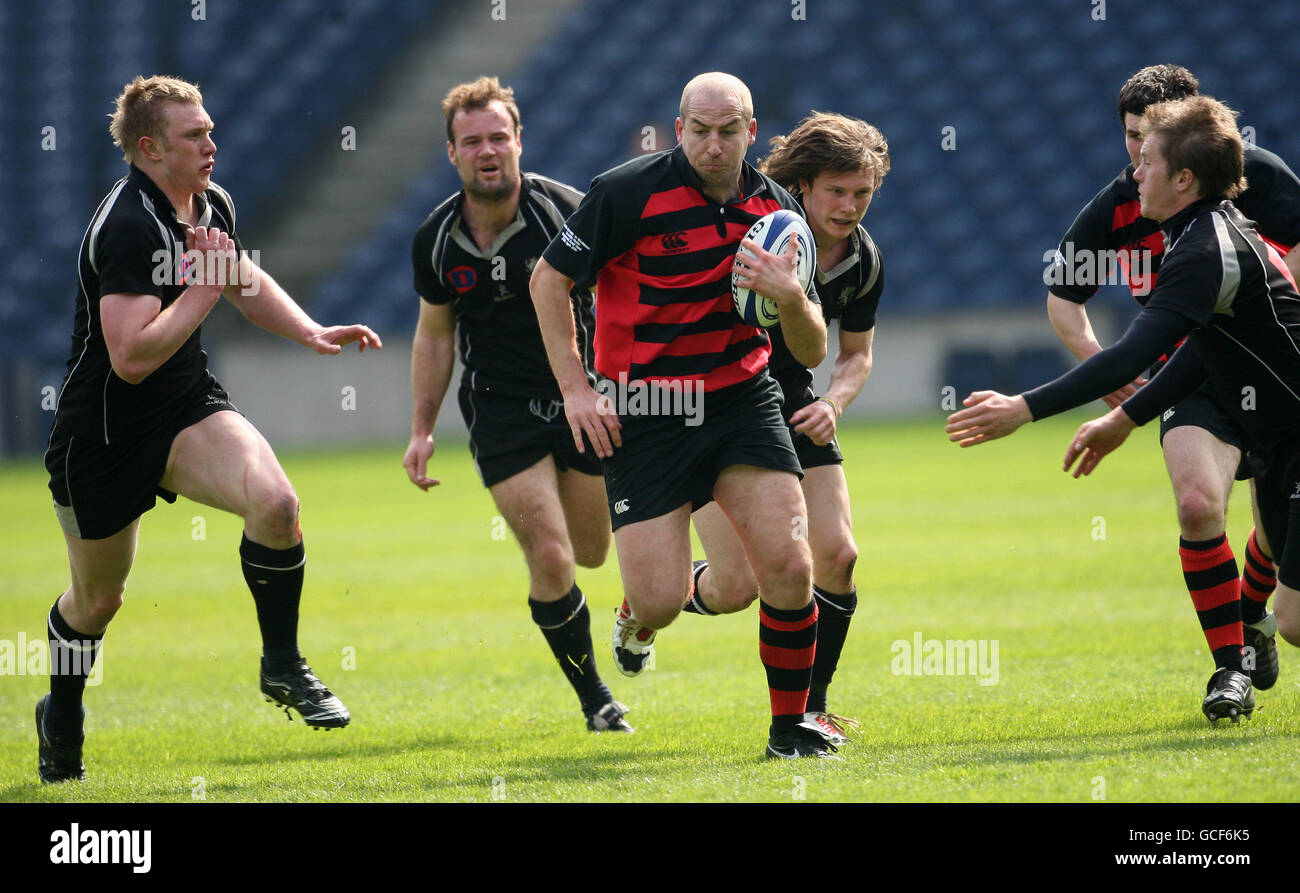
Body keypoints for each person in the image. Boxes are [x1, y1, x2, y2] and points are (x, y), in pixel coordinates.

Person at [37, 76, 382, 783]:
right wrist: (203, 282)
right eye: (194, 136)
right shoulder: (127, 225)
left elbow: (239, 279)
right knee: (98, 600)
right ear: (149, 148)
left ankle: (282, 663)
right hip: (101, 431)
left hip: (185, 405)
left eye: (210, 130)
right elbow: (130, 358)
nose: (211, 144)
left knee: (277, 505)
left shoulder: (209, 203)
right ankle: (62, 708)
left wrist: (309, 330)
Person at [947, 95, 1300, 723]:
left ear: (1183, 177)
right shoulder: (1200, 232)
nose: (1135, 169)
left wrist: (1024, 408)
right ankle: (1239, 654)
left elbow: (1130, 356)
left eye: (1150, 159)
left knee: (1297, 619)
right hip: (1276, 442)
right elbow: (1197, 355)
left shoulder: (1201, 248)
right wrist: (1121, 420)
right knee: (1290, 617)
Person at [530, 72, 836, 758]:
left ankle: (790, 731)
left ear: (752, 132)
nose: (713, 144)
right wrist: (577, 390)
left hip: (741, 398)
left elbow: (811, 345)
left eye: (729, 131)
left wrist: (789, 294)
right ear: (679, 128)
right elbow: (547, 281)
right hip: (646, 410)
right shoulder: (627, 192)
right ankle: (638, 618)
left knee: (784, 568)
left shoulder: (775, 208)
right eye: (699, 130)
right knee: (662, 598)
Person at [1043, 64, 1300, 699]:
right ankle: (1232, 667)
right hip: (1188, 375)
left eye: (1150, 137)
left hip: (1267, 372)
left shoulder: (1250, 177)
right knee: (1196, 503)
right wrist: (1109, 376)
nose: (1137, 151)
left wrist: (1273, 311)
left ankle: (1254, 613)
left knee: (1277, 548)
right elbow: (1063, 298)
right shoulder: (1123, 201)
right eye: (1131, 135)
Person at [402, 77, 631, 733]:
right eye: (472, 141)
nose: (488, 150)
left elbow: (621, 296)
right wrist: (421, 428)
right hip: (500, 408)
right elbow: (435, 334)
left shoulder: (567, 211)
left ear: (519, 141)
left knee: (592, 552)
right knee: (553, 556)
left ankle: (626, 613)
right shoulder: (436, 239)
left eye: (498, 136)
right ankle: (596, 700)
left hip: (580, 401)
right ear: (452, 153)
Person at [680, 112, 889, 747]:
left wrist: (836, 402)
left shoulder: (863, 259)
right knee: (737, 585)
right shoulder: (745, 233)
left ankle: (809, 711)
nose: (850, 207)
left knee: (839, 556)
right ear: (801, 187)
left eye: (862, 193)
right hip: (718, 406)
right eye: (837, 191)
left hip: (795, 405)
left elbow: (855, 354)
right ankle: (655, 595)